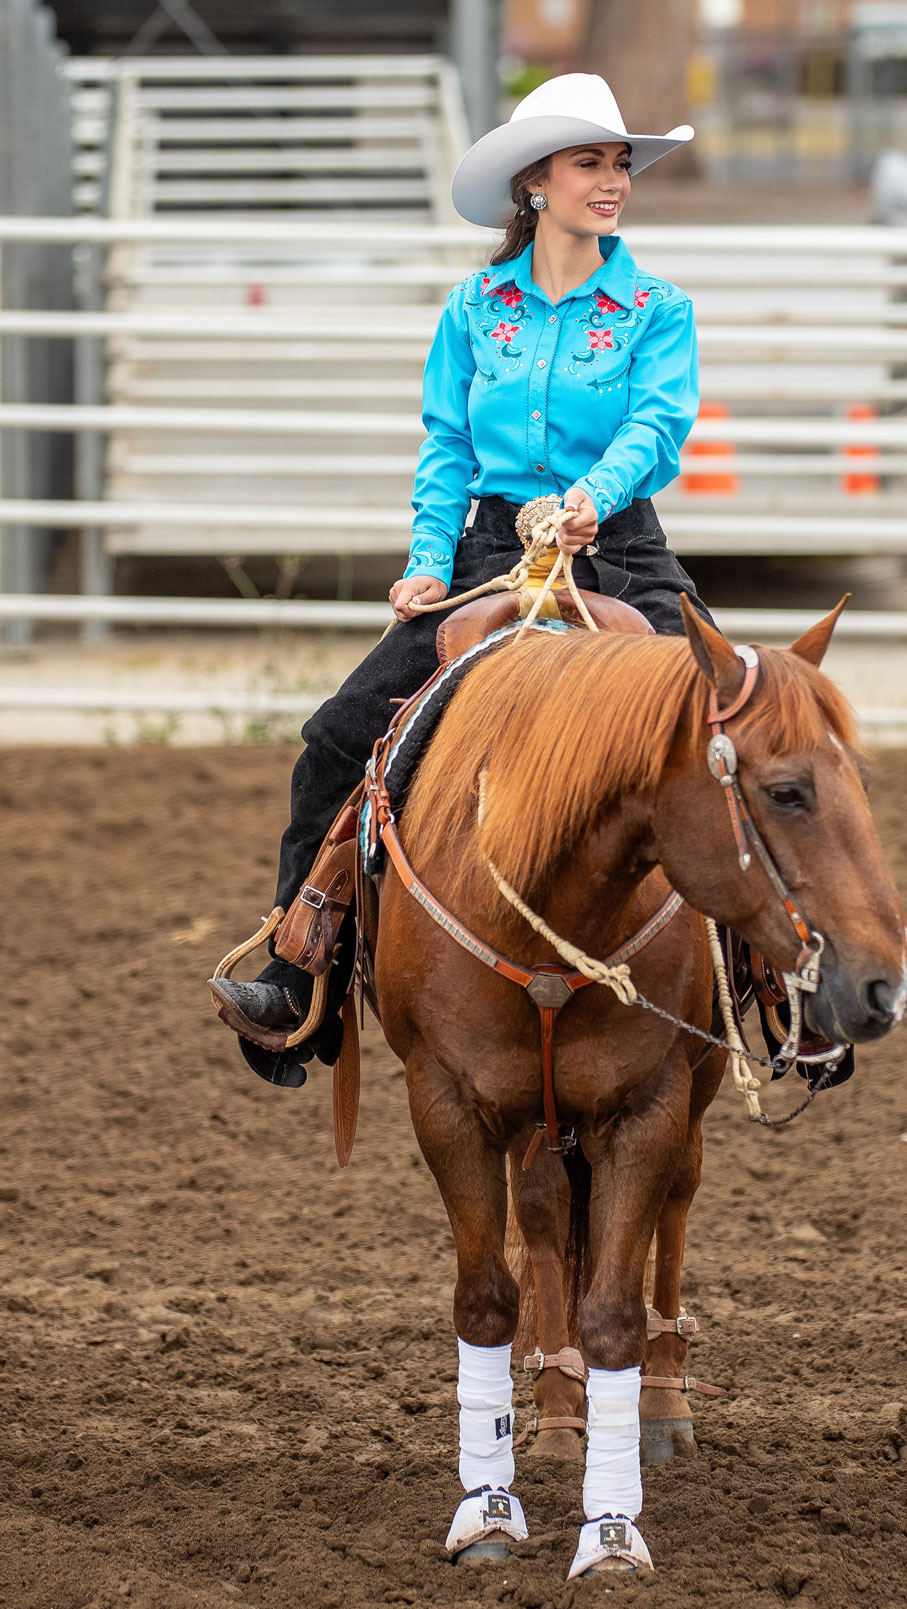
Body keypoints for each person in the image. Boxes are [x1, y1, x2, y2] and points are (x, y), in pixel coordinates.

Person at [211, 73, 712, 1086]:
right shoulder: (474, 309)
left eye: (619, 162)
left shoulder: (658, 307)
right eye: (590, 162)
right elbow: (446, 443)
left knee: (724, 734)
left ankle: (776, 993)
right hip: (491, 551)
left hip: (618, 547)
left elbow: (656, 427)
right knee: (339, 738)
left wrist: (588, 498)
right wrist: (426, 565)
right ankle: (299, 973)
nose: (612, 180)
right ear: (535, 182)